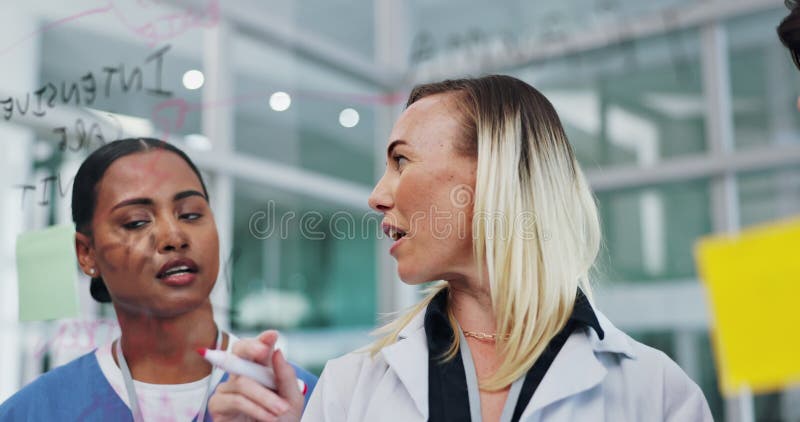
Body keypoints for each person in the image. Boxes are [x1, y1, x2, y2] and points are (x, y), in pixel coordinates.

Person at [209, 75, 713, 421]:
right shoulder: (351, 386)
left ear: (495, 173)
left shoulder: (657, 392)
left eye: (402, 161)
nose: (377, 196)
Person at [0, 138, 317, 421]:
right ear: (86, 253)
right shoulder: (35, 412)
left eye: (191, 214)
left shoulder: (306, 402)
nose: (174, 236)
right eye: (136, 222)